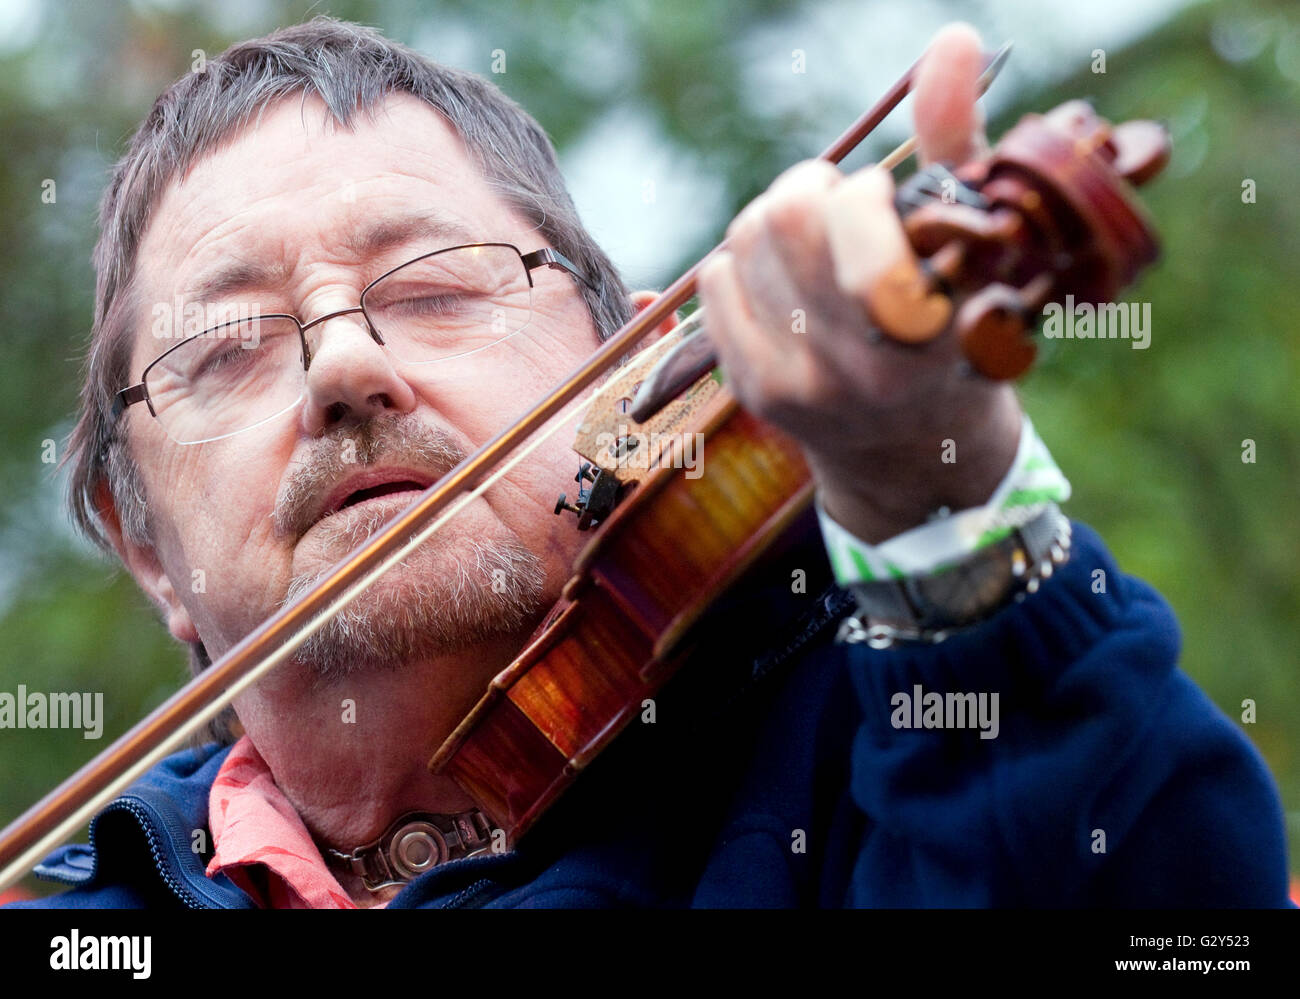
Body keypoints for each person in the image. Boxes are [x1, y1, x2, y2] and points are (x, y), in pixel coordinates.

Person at [7, 16, 1289, 909]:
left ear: (625, 368)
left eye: (438, 286)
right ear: (142, 545)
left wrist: (939, 518)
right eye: (228, 345)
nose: (344, 367)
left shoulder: (881, 744)